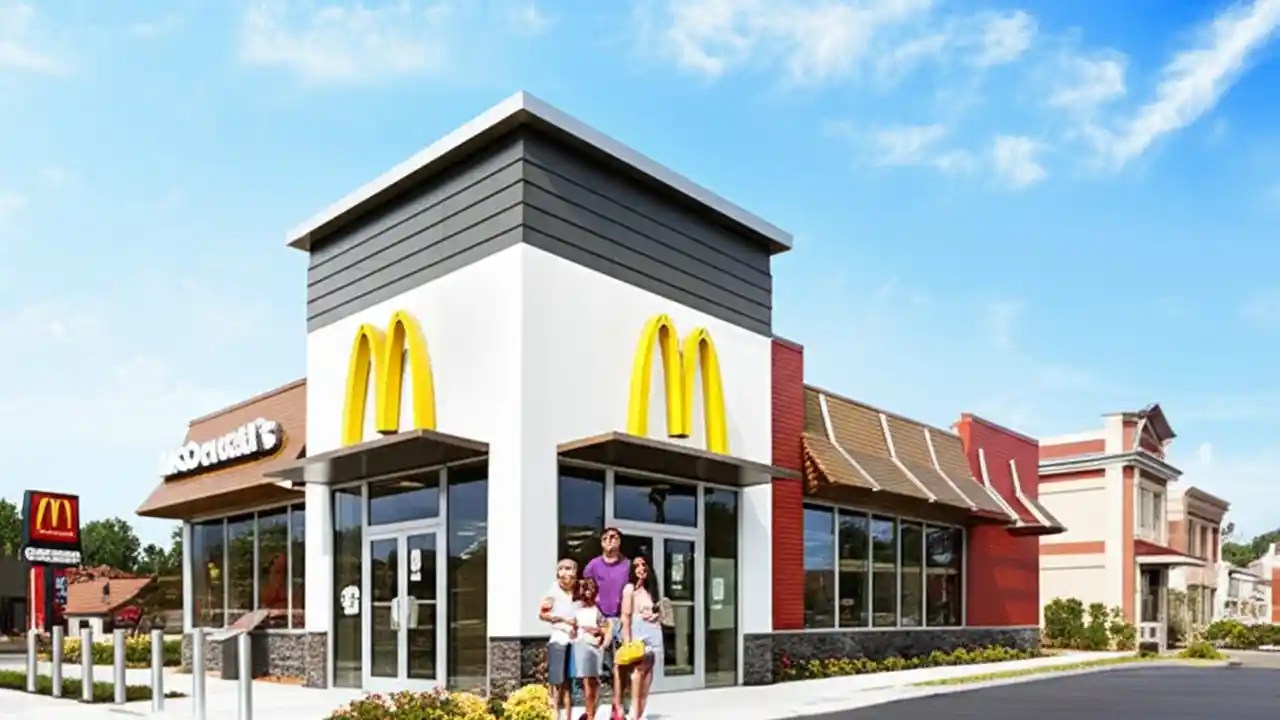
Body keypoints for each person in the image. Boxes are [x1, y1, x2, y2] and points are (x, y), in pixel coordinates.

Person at [582, 527, 631, 720]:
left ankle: (617, 707)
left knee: (619, 666)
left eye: (614, 537)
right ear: (601, 543)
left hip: (620, 620)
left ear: (619, 541)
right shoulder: (593, 565)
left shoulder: (627, 565)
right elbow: (584, 590)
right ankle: (590, 710)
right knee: (592, 667)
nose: (610, 540)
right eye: (606, 538)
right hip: (599, 621)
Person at [620, 555, 663, 720]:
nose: (641, 569)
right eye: (637, 566)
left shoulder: (651, 590)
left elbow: (659, 613)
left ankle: (641, 713)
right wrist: (627, 641)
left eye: (644, 565)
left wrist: (655, 616)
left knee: (648, 672)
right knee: (637, 673)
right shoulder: (629, 589)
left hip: (652, 632)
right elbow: (625, 616)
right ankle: (634, 712)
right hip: (637, 633)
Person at [539, 558, 579, 720]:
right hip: (559, 640)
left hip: (577, 640)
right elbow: (543, 614)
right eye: (561, 569)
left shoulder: (580, 591)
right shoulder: (553, 591)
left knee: (569, 684)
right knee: (557, 683)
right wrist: (563, 619)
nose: (564, 572)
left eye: (568, 568)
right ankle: (554, 716)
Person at [572, 578, 605, 720]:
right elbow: (572, 627)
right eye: (587, 588)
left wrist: (596, 631)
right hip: (582, 645)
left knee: (594, 681)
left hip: (594, 646)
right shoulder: (576, 608)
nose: (589, 592)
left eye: (592, 589)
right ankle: (589, 713)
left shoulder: (596, 609)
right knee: (586, 681)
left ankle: (592, 711)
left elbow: (604, 628)